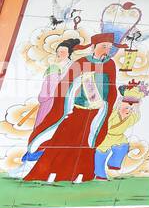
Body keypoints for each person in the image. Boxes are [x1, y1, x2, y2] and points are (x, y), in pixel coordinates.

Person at [24, 33, 119, 184]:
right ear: (94, 47)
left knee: (86, 143)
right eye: (103, 46)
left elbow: (111, 89)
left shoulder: (110, 64)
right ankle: (50, 172)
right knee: (62, 140)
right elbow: (65, 85)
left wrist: (105, 105)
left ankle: (82, 174)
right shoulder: (81, 62)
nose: (106, 50)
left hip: (96, 112)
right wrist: (68, 102)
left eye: (109, 47)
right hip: (76, 109)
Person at [94, 81, 149, 179]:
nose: (128, 110)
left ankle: (114, 163)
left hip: (119, 137)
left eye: (131, 108)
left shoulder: (131, 117)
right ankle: (99, 173)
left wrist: (135, 108)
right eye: (127, 107)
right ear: (120, 104)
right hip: (107, 136)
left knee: (123, 146)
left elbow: (136, 116)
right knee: (101, 152)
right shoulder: (112, 113)